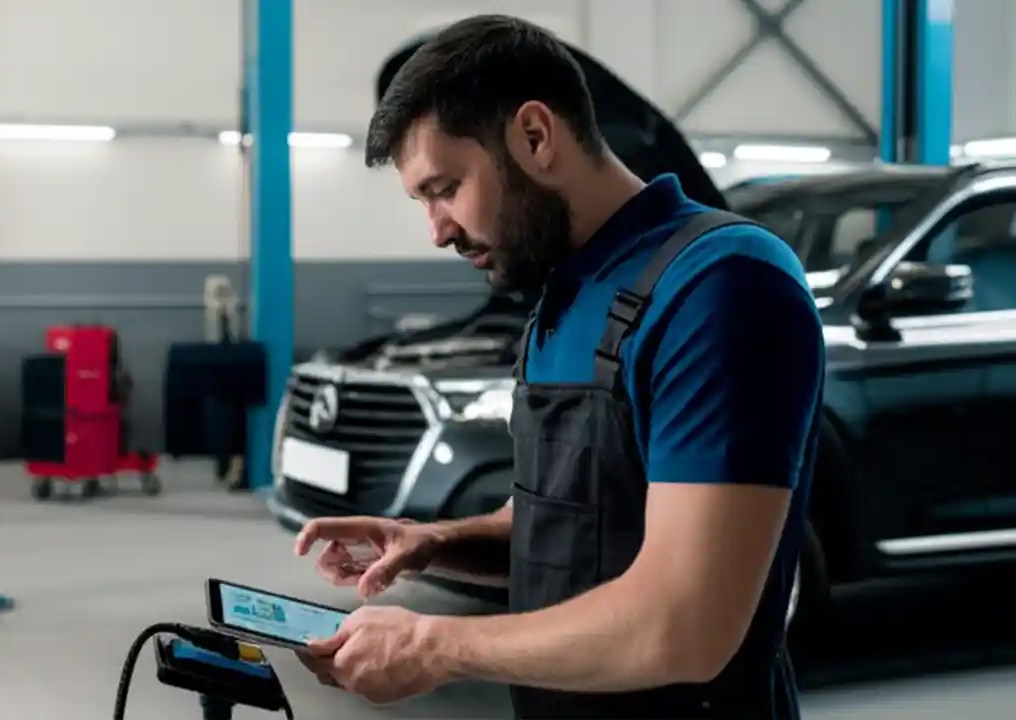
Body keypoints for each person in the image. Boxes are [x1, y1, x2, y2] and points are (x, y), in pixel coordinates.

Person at [292, 13, 824, 720]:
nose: (438, 230)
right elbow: (583, 515)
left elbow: (686, 625)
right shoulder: (561, 294)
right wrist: (433, 544)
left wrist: (436, 645)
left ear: (535, 137)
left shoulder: (721, 288)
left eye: (445, 188)